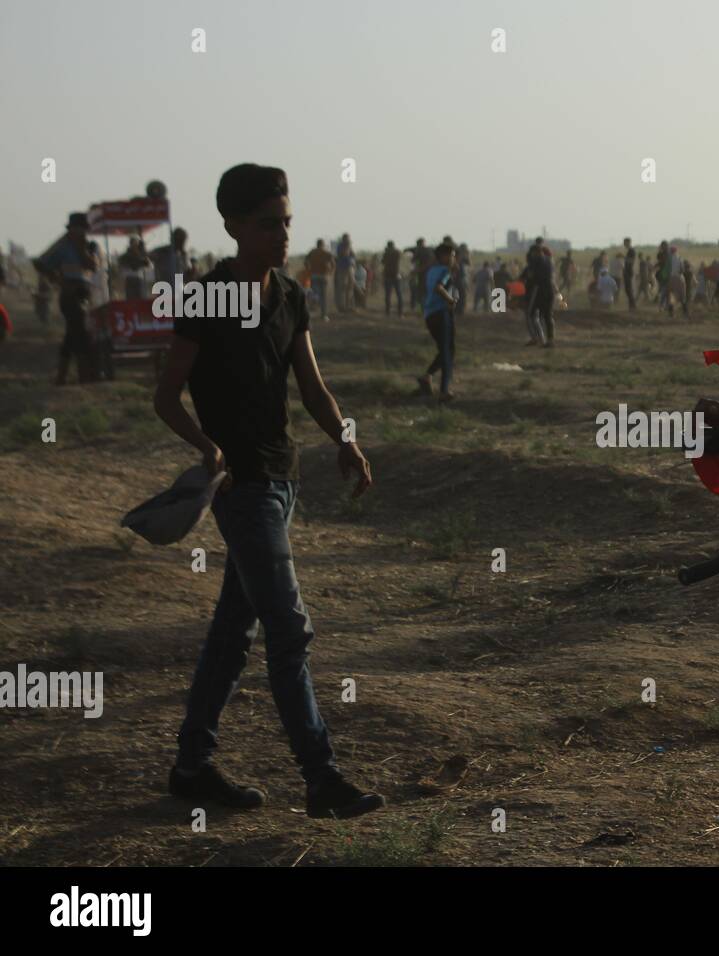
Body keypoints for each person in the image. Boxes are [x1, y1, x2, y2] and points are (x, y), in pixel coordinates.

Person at [153, 163, 383, 820]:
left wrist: (345, 437)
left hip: (283, 482)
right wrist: (206, 447)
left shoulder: (289, 295)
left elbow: (311, 386)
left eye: (286, 221)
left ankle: (192, 766)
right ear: (232, 227)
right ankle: (321, 777)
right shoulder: (206, 299)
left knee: (235, 631)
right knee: (289, 629)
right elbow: (166, 395)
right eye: (268, 224)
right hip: (242, 488)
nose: (283, 234)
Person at [35, 212, 100, 384]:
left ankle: (62, 378)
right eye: (78, 229)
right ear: (71, 229)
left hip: (84, 294)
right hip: (70, 295)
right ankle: (84, 377)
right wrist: (57, 280)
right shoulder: (62, 245)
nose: (81, 232)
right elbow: (40, 263)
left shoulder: (87, 246)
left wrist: (84, 250)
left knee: (72, 336)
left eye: (83, 229)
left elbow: (92, 266)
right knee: (80, 334)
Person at [418, 242, 458, 399]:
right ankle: (444, 390)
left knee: (445, 350)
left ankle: (427, 377)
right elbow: (438, 288)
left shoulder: (431, 271)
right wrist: (450, 300)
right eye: (453, 255)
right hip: (441, 313)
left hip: (429, 314)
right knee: (448, 351)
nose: (454, 259)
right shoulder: (445, 270)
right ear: (445, 256)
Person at [304, 239, 335, 323]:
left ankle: (312, 313)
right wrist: (330, 272)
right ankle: (323, 315)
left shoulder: (312, 252)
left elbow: (306, 260)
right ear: (323, 244)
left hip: (314, 275)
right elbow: (333, 263)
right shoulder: (326, 253)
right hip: (324, 276)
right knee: (323, 296)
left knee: (315, 295)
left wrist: (308, 269)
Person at [381, 240, 403, 317]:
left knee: (388, 294)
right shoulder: (397, 252)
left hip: (388, 275)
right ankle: (400, 313)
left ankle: (387, 312)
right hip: (396, 275)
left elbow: (383, 262)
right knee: (399, 294)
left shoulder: (386, 253)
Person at [334, 234, 355, 314]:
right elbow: (344, 254)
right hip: (342, 268)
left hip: (350, 268)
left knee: (350, 287)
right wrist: (348, 247)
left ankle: (349, 305)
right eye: (347, 239)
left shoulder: (349, 246)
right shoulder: (341, 246)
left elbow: (352, 255)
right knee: (342, 287)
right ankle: (341, 307)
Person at [622, 238, 637, 310]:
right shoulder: (630, 251)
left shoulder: (632, 251)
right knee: (627, 289)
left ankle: (632, 306)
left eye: (625, 243)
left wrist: (624, 258)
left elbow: (631, 261)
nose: (624, 244)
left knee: (629, 289)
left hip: (629, 271)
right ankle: (632, 305)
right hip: (627, 271)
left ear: (628, 242)